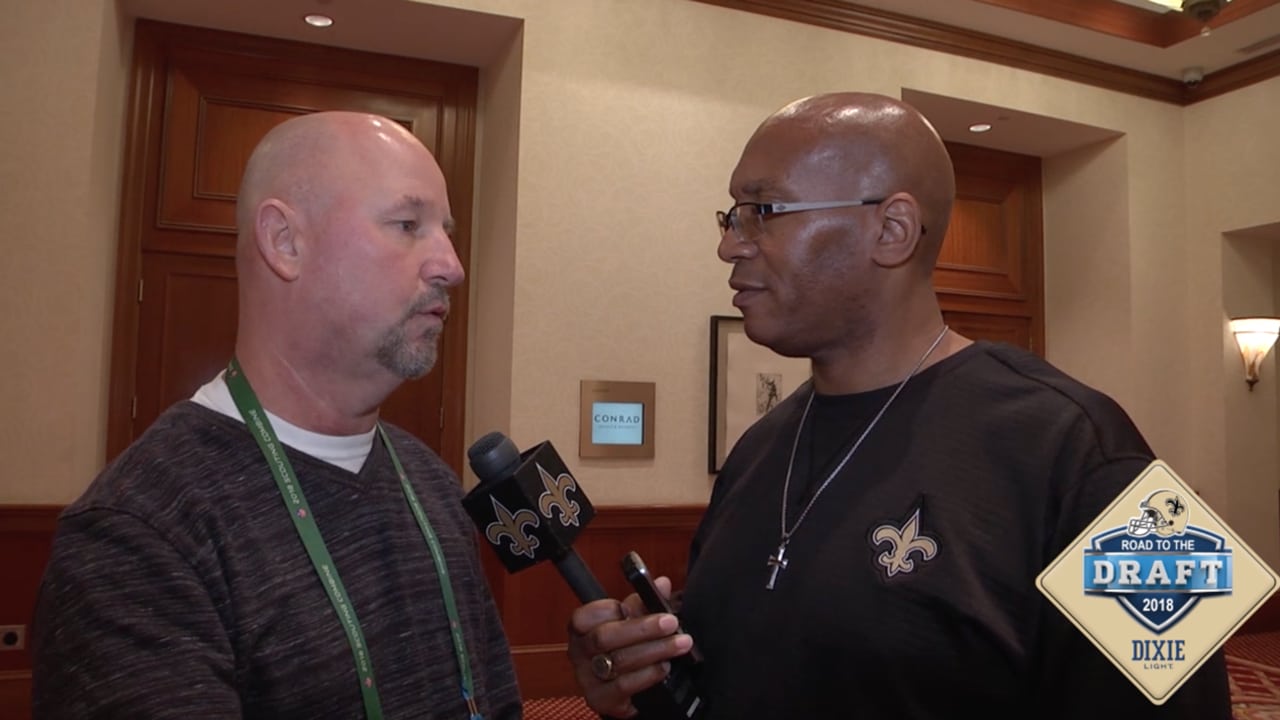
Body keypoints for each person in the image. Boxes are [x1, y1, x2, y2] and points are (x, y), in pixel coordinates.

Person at [566, 92, 1231, 719]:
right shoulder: (757, 450)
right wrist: (640, 677)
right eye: (731, 214)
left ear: (891, 229)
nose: (729, 243)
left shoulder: (1086, 448)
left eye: (762, 211)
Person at [31, 112, 522, 719]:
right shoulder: (137, 535)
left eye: (445, 232)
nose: (452, 265)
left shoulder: (433, 484)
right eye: (407, 224)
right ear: (285, 242)